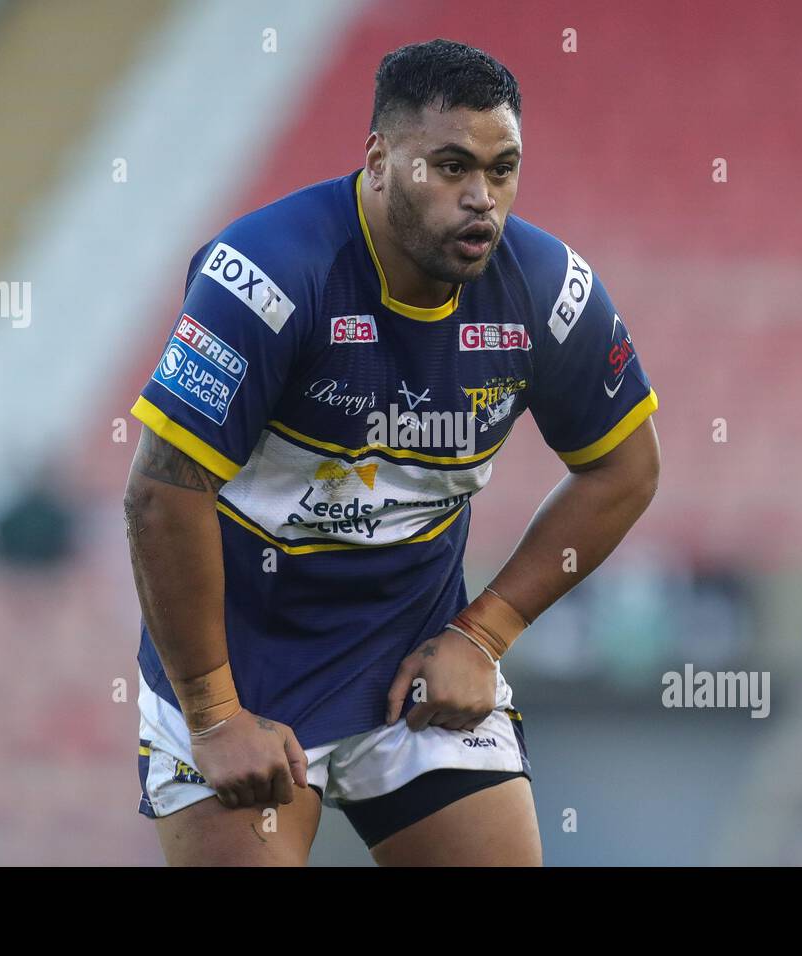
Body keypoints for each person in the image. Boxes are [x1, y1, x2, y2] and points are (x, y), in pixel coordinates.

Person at [123, 38, 661, 866]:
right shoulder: (266, 275)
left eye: (503, 169)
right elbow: (162, 496)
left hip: (411, 661)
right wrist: (214, 715)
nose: (482, 199)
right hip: (243, 670)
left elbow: (626, 468)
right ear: (379, 159)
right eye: (449, 167)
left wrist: (486, 632)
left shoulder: (549, 291)